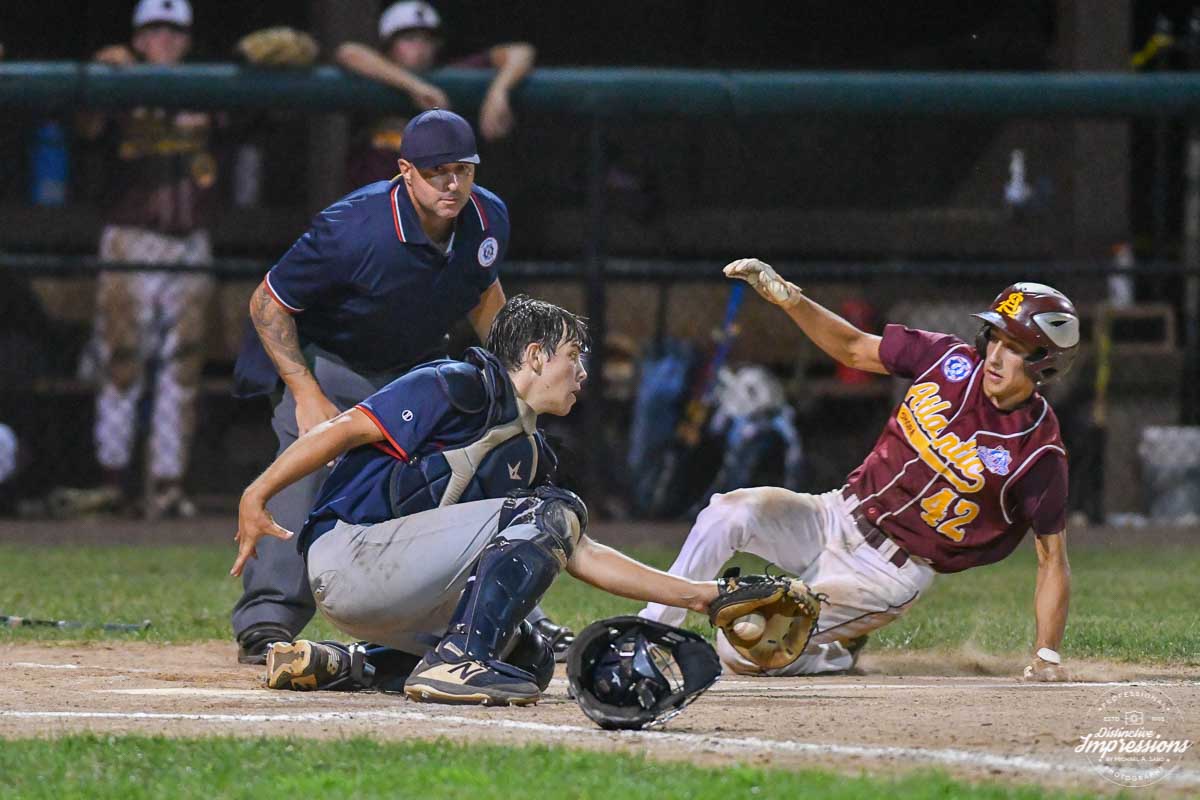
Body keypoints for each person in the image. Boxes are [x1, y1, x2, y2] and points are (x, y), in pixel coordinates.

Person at [232, 296, 719, 706]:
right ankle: (455, 662)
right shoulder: (456, 384)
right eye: (573, 354)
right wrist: (258, 492)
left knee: (529, 656)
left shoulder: (530, 451)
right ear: (534, 356)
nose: (582, 372)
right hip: (350, 554)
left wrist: (700, 595)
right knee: (551, 514)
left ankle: (348, 663)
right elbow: (342, 429)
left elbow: (582, 552)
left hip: (398, 583)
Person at [230, 108, 573, 665]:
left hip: (413, 367)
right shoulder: (353, 228)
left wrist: (515, 377)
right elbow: (268, 303)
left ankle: (513, 615)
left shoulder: (488, 219)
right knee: (307, 460)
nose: (452, 183)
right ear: (405, 171)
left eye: (463, 169)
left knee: (476, 462)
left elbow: (485, 295)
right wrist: (306, 392)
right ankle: (268, 621)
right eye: (437, 171)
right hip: (330, 362)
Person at [642, 260, 1080, 683]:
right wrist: (793, 301)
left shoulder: (1037, 451)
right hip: (833, 513)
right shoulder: (947, 360)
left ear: (1045, 363)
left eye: (1015, 348)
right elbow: (852, 347)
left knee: (739, 647)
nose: (997, 356)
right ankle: (651, 633)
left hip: (886, 572)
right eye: (996, 339)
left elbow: (1051, 560)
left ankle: (832, 655)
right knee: (727, 512)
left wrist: (1046, 654)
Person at [76, 0, 215, 519]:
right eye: (154, 31)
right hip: (130, 237)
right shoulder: (119, 80)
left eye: (174, 31)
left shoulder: (208, 86)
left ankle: (166, 484)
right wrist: (102, 71)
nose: (165, 40)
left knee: (183, 367)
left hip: (189, 238)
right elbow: (86, 129)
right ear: (137, 37)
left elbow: (264, 118)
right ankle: (112, 480)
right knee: (121, 360)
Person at [336, 1, 535, 147]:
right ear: (389, 46)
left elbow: (520, 51)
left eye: (427, 39)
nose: (420, 47)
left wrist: (499, 91)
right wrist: (415, 87)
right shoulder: (375, 72)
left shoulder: (447, 76)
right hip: (376, 197)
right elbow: (348, 52)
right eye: (409, 38)